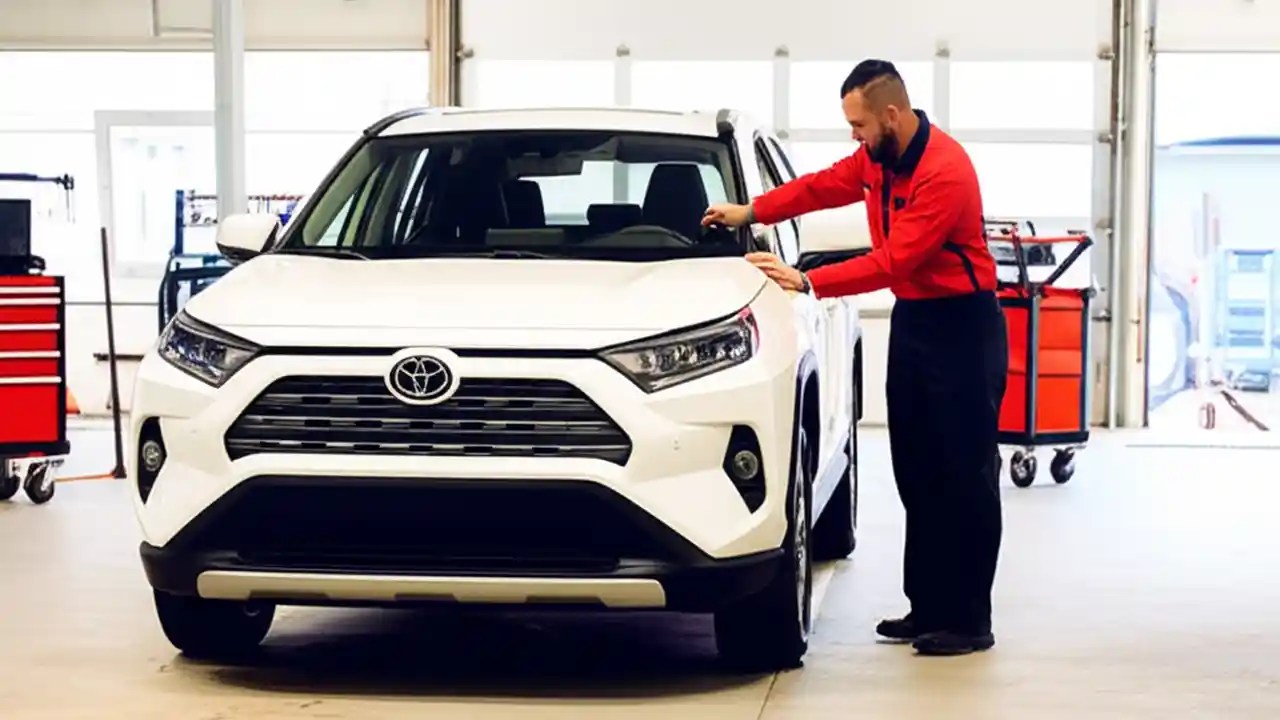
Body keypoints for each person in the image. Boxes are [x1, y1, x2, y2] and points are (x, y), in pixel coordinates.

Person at [702, 59, 1008, 657]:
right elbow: (818, 187)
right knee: (917, 469)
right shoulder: (876, 158)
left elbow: (896, 260)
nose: (854, 136)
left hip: (964, 329)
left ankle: (970, 621)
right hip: (916, 321)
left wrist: (807, 280)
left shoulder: (945, 171)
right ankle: (928, 608)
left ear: (891, 115)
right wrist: (752, 211)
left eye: (859, 124)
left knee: (965, 475)